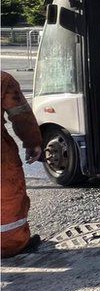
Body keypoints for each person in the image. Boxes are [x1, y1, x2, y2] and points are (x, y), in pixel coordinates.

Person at [1, 70, 43, 257]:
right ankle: (11, 245)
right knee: (7, 198)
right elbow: (21, 115)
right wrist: (33, 142)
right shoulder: (3, 80)